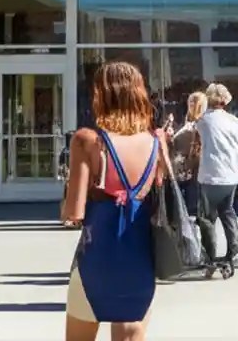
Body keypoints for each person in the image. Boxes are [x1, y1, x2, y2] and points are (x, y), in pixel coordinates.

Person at [62, 61, 169, 341]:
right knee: (130, 331)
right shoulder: (156, 142)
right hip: (140, 260)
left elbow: (73, 213)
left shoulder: (87, 141)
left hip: (96, 259)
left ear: (101, 95)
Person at [194, 83, 238, 276]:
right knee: (227, 210)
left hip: (211, 174)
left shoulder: (203, 121)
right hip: (231, 174)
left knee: (207, 218)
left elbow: (194, 140)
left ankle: (210, 258)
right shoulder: (236, 122)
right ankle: (235, 248)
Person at [170, 91, 206, 220]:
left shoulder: (194, 127)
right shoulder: (200, 124)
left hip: (190, 171)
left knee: (191, 210)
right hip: (194, 171)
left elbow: (178, 142)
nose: (190, 106)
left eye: (192, 103)